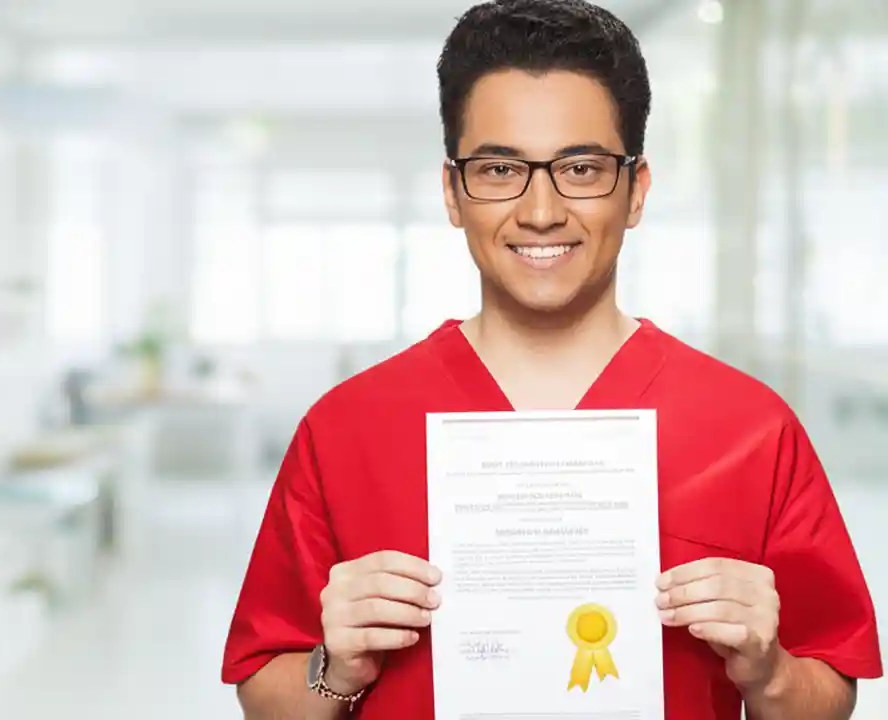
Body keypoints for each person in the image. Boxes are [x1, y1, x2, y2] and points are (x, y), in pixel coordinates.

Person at [220, 1, 883, 718]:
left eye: (581, 167)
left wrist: (769, 672)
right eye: (500, 168)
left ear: (636, 191)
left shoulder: (751, 430)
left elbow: (828, 691)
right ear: (452, 191)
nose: (540, 210)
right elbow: (265, 697)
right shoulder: (346, 428)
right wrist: (335, 667)